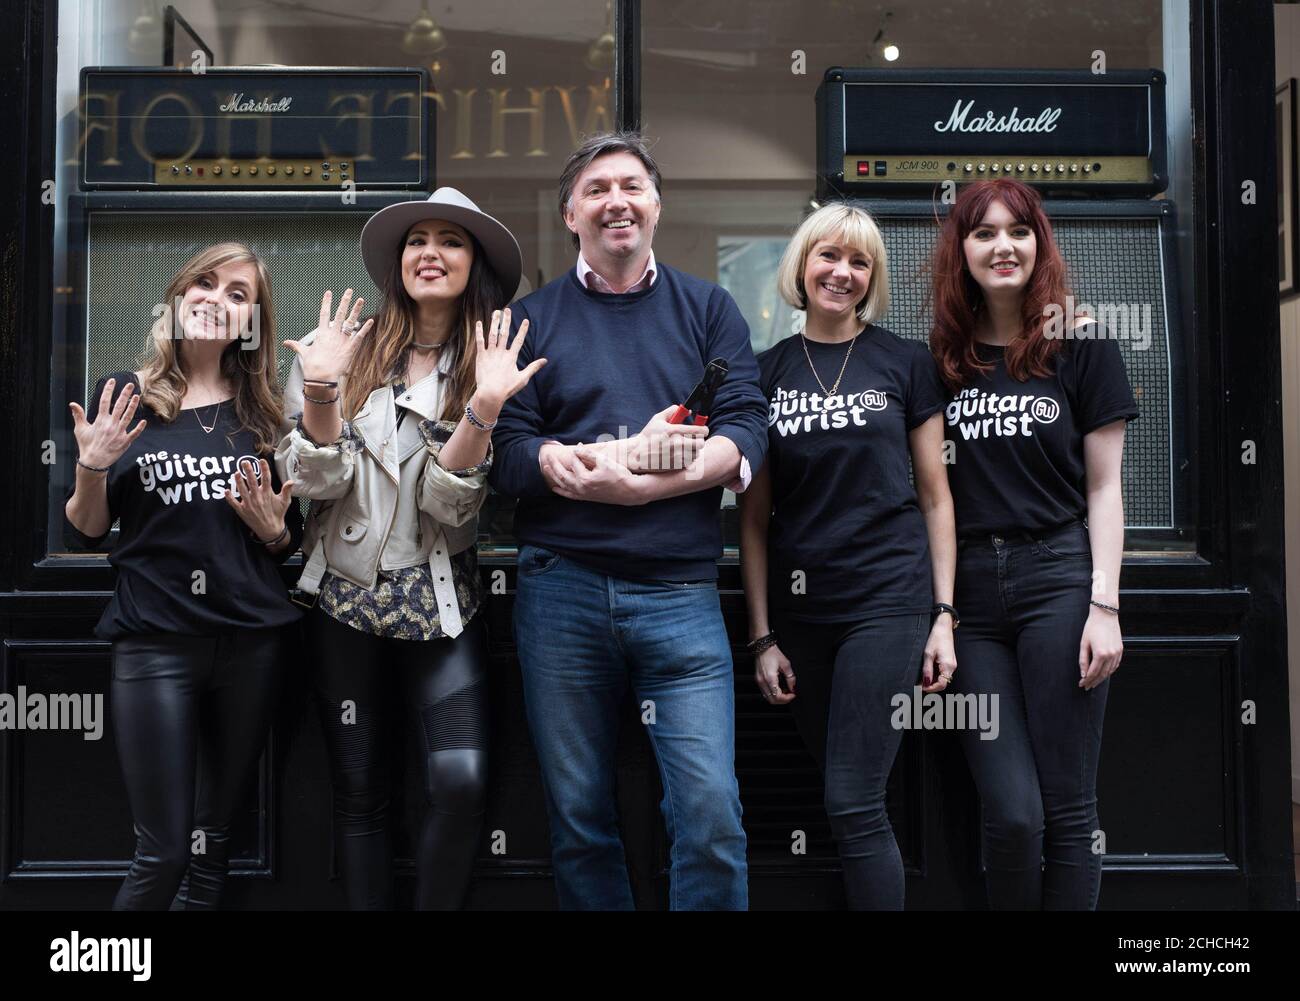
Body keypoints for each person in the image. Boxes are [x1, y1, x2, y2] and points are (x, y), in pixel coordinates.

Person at [488, 131, 769, 910]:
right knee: (580, 817)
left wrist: (652, 482)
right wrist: (579, 467)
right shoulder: (527, 320)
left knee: (710, 813)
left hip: (680, 594)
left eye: (632, 186)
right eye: (597, 189)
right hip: (561, 591)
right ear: (570, 213)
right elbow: (506, 452)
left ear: (656, 204)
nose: (617, 201)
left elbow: (745, 429)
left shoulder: (709, 307)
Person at [275, 187, 539, 910]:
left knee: (458, 779)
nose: (430, 252)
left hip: (439, 604)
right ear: (398, 262)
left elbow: (450, 509)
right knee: (358, 790)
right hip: (343, 603)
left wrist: (484, 407)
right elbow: (312, 484)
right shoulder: (339, 350)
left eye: (450, 240)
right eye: (416, 239)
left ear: (472, 262)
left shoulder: (493, 362)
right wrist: (322, 387)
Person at [64, 242, 303, 910]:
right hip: (156, 644)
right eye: (205, 282)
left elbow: (289, 538)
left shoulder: (262, 414)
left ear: (251, 321)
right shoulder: (126, 397)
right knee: (163, 850)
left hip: (251, 643)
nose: (215, 299)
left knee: (211, 844)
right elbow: (85, 527)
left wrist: (272, 530)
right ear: (178, 293)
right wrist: (91, 466)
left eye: (237, 294)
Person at [738, 202, 957, 910]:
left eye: (859, 261)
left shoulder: (904, 361)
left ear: (872, 277)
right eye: (829, 255)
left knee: (853, 798)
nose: (843, 271)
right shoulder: (764, 372)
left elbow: (935, 497)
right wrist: (763, 633)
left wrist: (943, 614)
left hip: (887, 602)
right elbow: (754, 517)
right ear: (802, 264)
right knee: (847, 795)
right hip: (804, 616)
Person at [929, 178, 1136, 909]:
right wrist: (942, 610)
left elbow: (1106, 489)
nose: (1002, 246)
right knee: (1012, 813)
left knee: (1069, 811)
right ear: (962, 251)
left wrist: (1103, 603)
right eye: (982, 233)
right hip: (973, 597)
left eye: (1017, 231)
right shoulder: (942, 357)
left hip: (1059, 576)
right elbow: (931, 494)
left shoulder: (1081, 343)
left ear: (1038, 242)